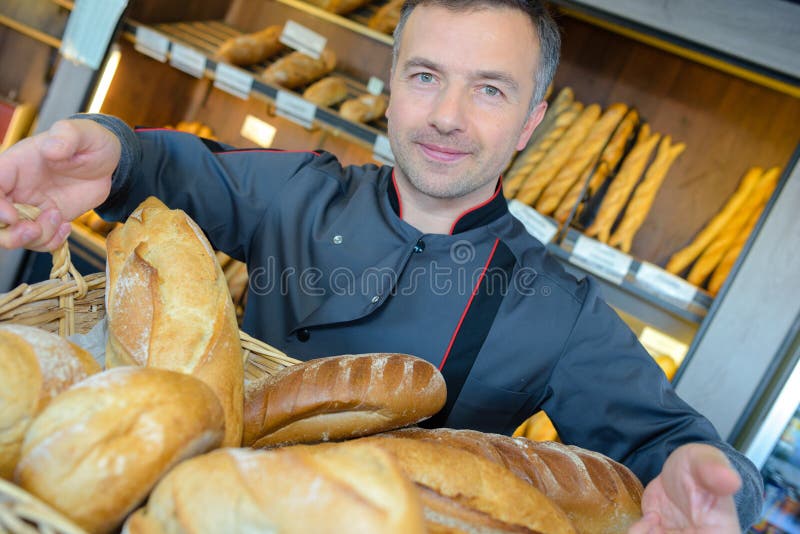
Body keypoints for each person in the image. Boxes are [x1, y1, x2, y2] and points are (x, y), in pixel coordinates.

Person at [0, 0, 761, 530]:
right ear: (391, 89)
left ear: (531, 121)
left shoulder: (554, 306)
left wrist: (711, 491)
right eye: (426, 76)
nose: (447, 117)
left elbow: (678, 447)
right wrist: (105, 149)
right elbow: (166, 166)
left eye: (489, 90)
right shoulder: (301, 191)